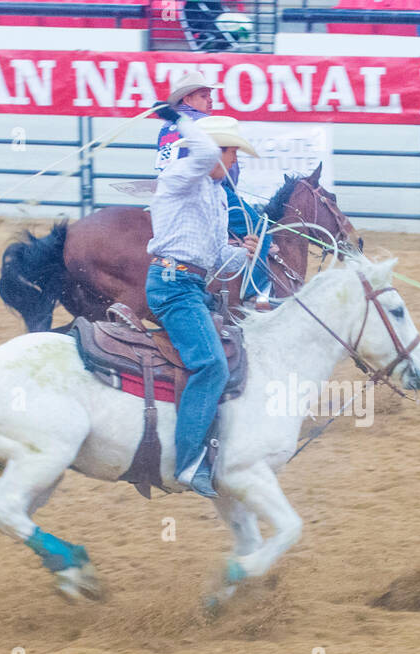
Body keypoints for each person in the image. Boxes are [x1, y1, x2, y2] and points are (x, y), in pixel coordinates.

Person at [147, 107, 261, 499]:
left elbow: (214, 256)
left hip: (190, 284)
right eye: (233, 155)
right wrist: (180, 120)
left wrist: (243, 255)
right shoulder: (181, 177)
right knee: (210, 363)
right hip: (171, 285)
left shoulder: (213, 195)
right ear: (215, 151)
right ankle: (189, 463)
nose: (234, 164)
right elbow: (202, 154)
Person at [155, 70, 273, 303]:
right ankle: (256, 293)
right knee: (260, 229)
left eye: (210, 95)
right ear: (187, 99)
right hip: (207, 187)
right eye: (203, 95)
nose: (210, 100)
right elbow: (226, 168)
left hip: (171, 190)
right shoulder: (204, 125)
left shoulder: (166, 128)